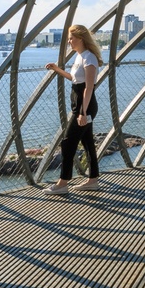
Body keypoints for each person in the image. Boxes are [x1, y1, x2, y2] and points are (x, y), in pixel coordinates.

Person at [43, 24, 102, 193]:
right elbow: (75, 79)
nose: (69, 41)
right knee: (88, 142)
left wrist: (83, 112)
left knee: (68, 143)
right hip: (80, 105)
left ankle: (62, 184)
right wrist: (57, 69)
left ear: (80, 38)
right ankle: (93, 180)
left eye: (71, 38)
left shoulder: (89, 58)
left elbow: (88, 87)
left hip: (86, 107)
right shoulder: (80, 57)